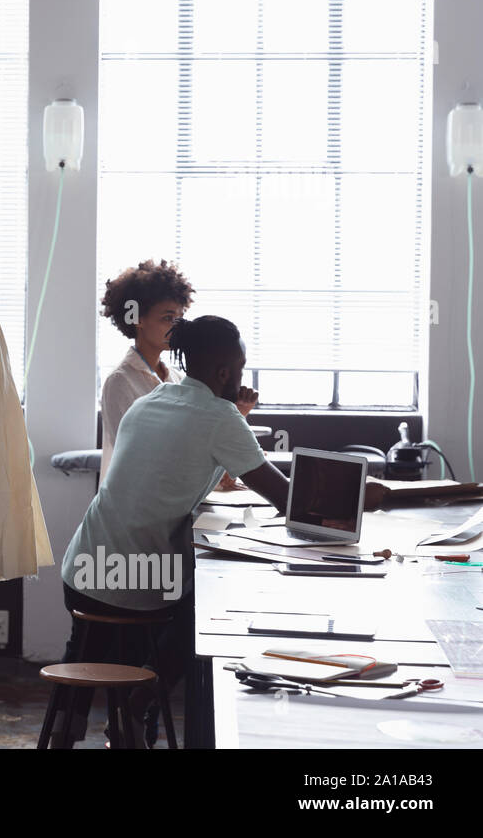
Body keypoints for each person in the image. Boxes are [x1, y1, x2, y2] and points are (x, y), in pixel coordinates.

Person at [58, 316, 385, 747]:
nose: (242, 377)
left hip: (81, 570)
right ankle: (138, 706)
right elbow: (287, 501)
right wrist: (363, 498)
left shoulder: (152, 400)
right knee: (206, 611)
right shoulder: (220, 415)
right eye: (241, 367)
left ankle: (69, 726)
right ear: (224, 372)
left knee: (88, 638)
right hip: (131, 579)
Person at [99, 259, 256, 483]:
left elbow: (198, 444)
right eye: (167, 318)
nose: (177, 327)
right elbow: (136, 457)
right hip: (133, 500)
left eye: (180, 319)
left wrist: (237, 413)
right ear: (138, 320)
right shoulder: (120, 382)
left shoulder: (178, 378)